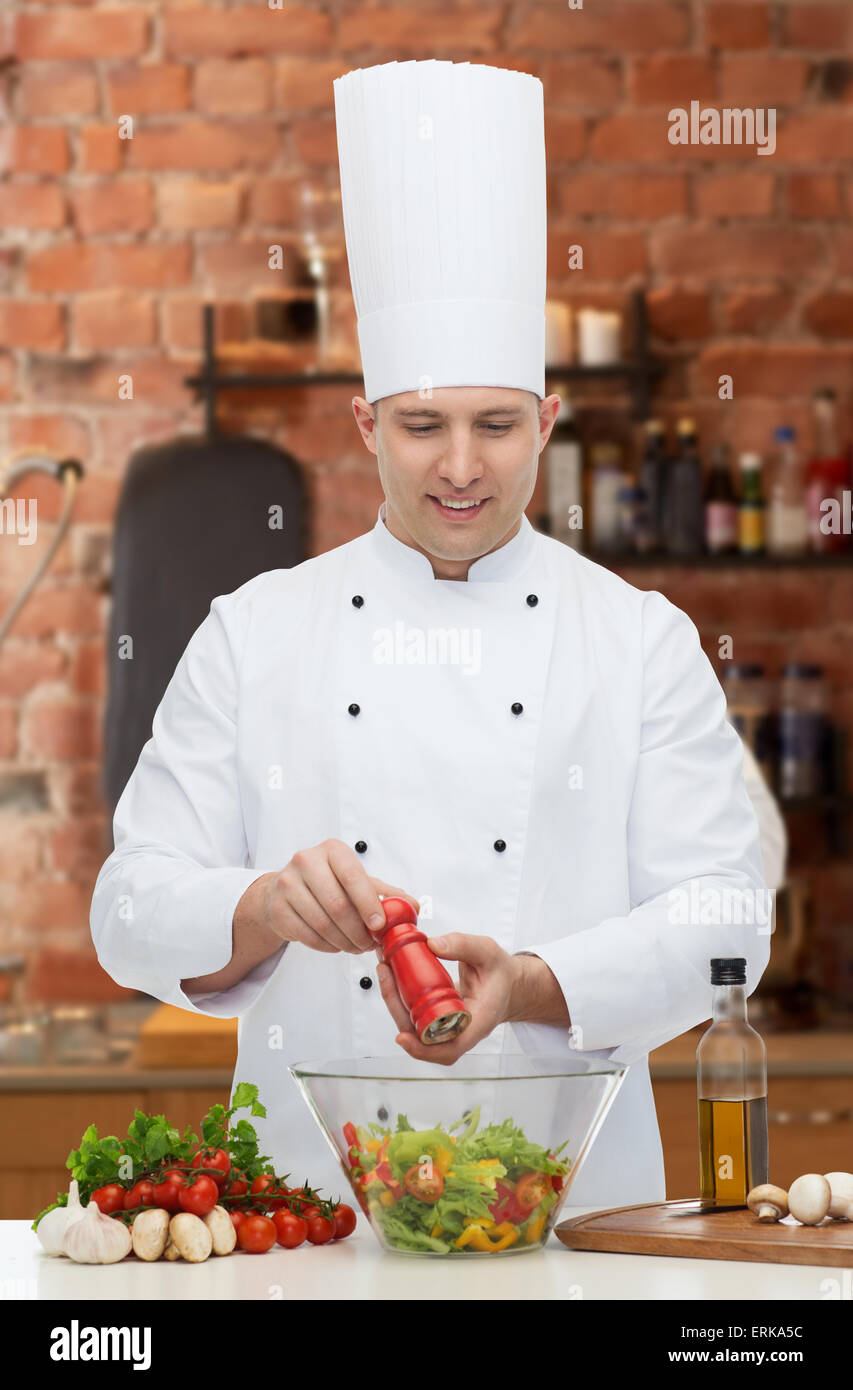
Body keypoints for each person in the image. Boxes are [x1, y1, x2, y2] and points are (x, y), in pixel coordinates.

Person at [91, 59, 770, 1207]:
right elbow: (126, 907)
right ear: (365, 423)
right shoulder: (255, 632)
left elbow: (728, 919)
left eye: (497, 425)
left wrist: (536, 981)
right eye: (421, 426)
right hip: (305, 1226)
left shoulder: (639, 639)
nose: (461, 466)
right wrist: (256, 910)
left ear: (548, 420)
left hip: (571, 1222)